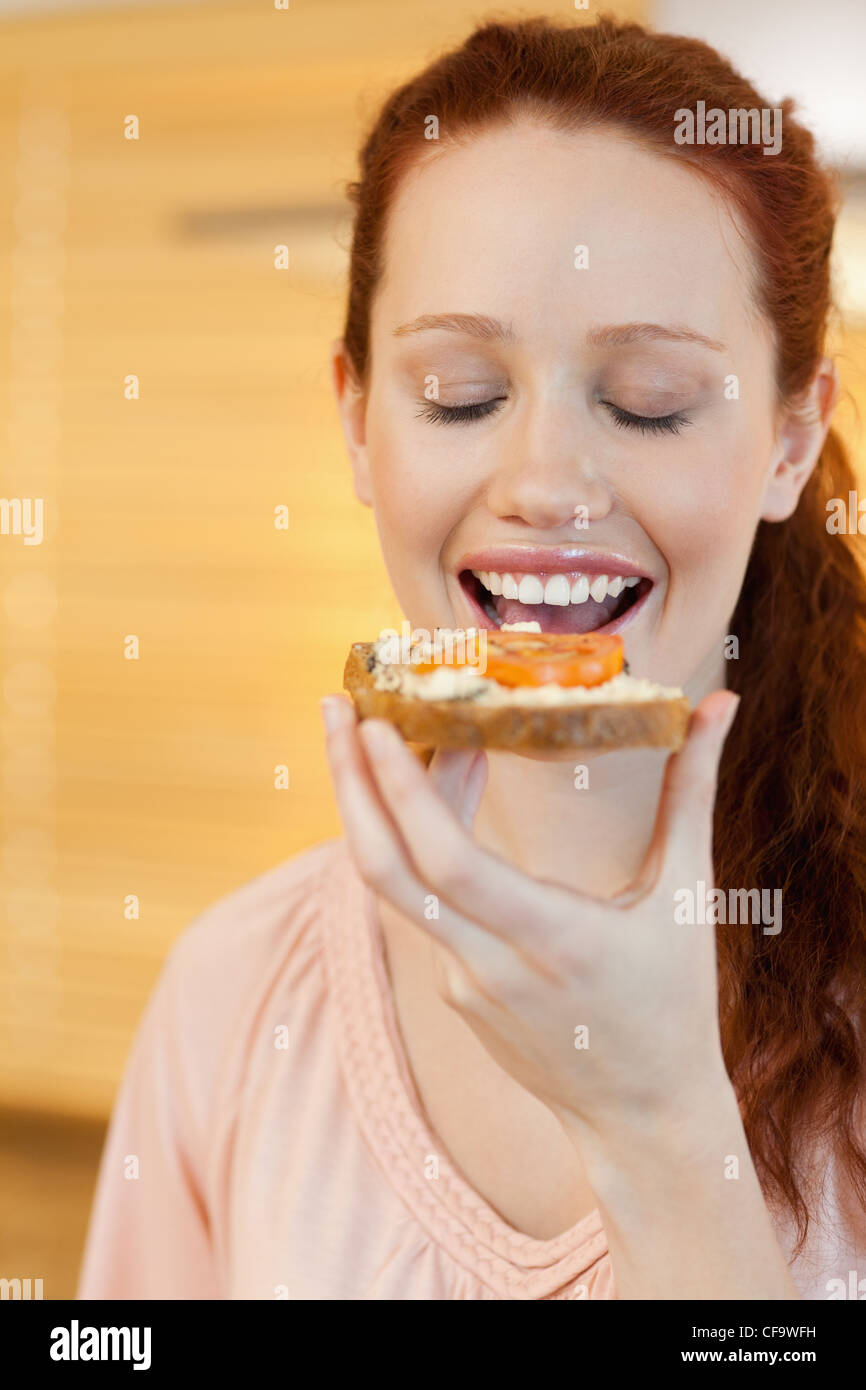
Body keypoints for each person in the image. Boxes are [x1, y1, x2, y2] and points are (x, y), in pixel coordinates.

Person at [78, 14, 866, 1300]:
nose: (546, 484)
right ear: (354, 421)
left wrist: (662, 1127)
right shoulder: (234, 991)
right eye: (458, 393)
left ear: (787, 440)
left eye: (648, 401)